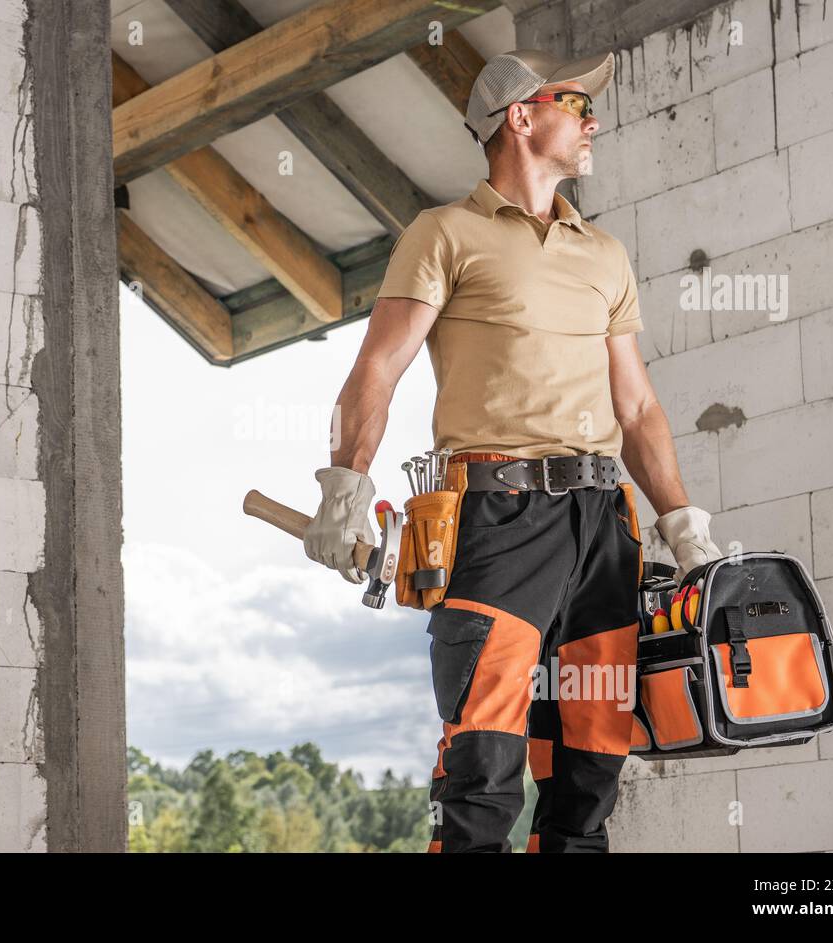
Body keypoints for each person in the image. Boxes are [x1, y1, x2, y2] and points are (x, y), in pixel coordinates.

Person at [302, 49, 724, 853]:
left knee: (593, 764)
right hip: (496, 515)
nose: (592, 118)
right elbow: (377, 370)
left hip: (605, 524)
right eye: (576, 101)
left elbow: (636, 406)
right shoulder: (444, 234)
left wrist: (683, 525)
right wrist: (344, 489)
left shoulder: (604, 253)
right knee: (485, 766)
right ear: (519, 116)